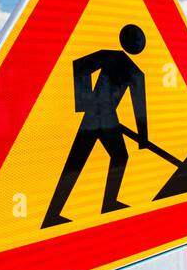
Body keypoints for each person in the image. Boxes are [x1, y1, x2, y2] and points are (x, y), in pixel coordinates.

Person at [41, 24, 148, 228]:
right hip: (105, 119)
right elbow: (139, 108)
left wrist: (86, 102)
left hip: (97, 118)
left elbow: (139, 105)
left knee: (76, 163)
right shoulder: (132, 69)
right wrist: (142, 137)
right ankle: (107, 203)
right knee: (114, 157)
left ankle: (53, 214)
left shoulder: (125, 66)